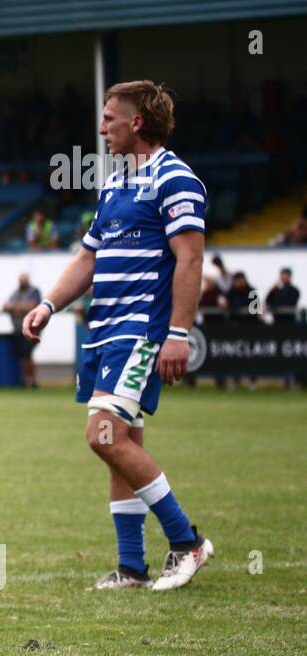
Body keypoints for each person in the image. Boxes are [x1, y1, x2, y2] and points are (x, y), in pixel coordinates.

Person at [23, 79, 213, 592]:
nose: (101, 126)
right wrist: (48, 303)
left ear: (138, 122)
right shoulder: (114, 185)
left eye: (110, 117)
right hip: (104, 330)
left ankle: (187, 541)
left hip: (142, 331)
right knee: (119, 441)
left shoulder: (175, 178)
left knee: (102, 435)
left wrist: (178, 333)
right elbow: (88, 256)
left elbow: (190, 258)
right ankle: (132, 566)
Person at [3, 272, 42, 387]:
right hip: (18, 329)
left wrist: (15, 307)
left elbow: (32, 305)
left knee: (27, 354)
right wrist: (20, 307)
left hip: (31, 329)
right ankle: (25, 380)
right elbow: (5, 306)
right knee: (22, 356)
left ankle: (32, 380)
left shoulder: (34, 291)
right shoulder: (16, 292)